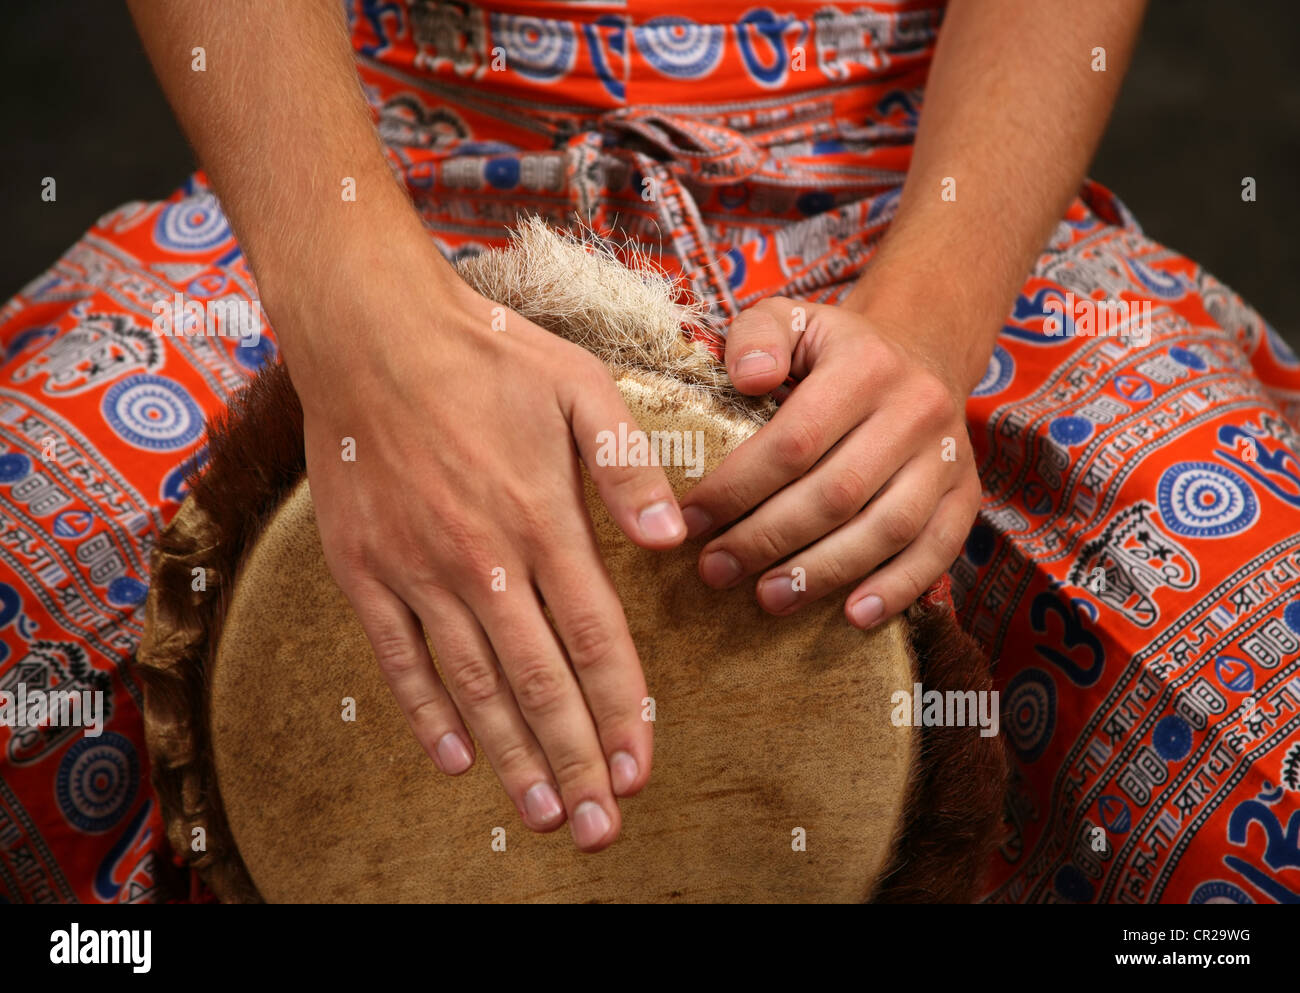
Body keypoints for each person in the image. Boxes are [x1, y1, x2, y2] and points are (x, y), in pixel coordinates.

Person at [2, 0, 1297, 904]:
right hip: (358, 162)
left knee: (1266, 708)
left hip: (915, 192)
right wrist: (356, 319)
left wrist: (926, 329)